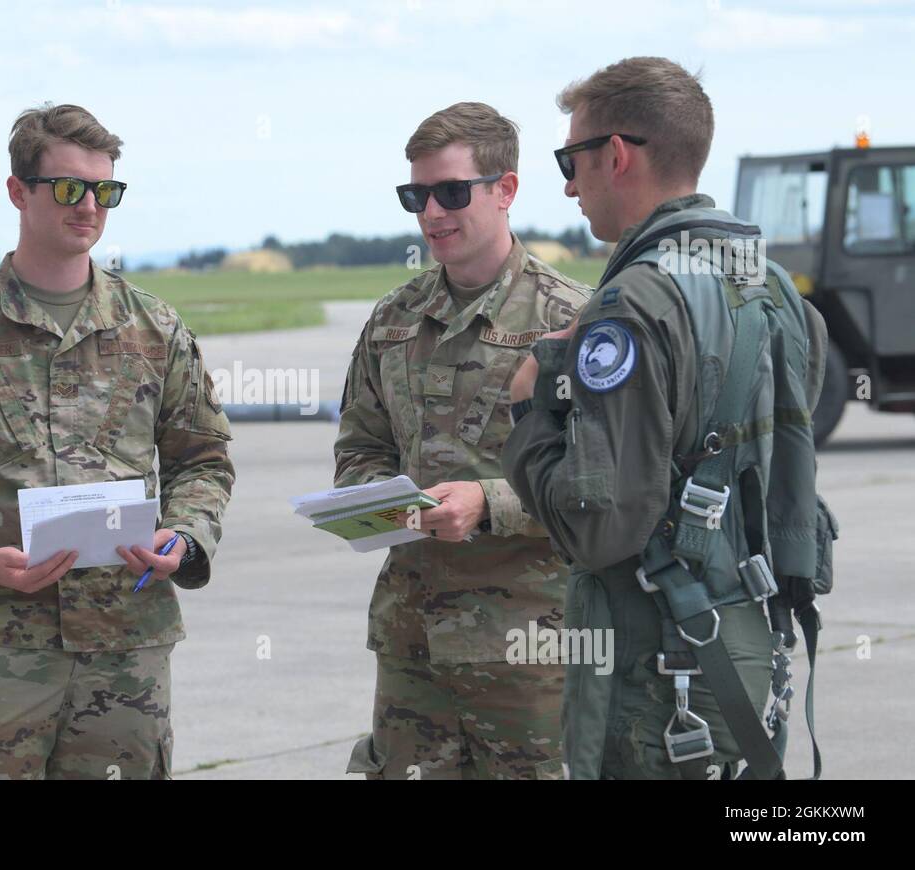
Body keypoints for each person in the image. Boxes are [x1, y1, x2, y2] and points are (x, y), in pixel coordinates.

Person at [503, 57, 829, 779]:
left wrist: (529, 411)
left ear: (616, 155)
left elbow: (601, 520)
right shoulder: (774, 290)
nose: (567, 183)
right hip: (750, 645)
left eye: (572, 159)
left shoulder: (635, 304)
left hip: (663, 673)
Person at [0, 103, 234, 780]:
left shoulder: (153, 329)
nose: (90, 207)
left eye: (105, 191)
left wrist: (185, 538)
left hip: (125, 654)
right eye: (71, 188)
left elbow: (204, 459)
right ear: (19, 191)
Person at [333, 102, 592, 780]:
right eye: (416, 196)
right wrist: (380, 503)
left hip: (533, 650)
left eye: (451, 192)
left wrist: (489, 503)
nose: (432, 213)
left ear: (505, 189)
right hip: (413, 645)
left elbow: (606, 480)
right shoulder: (393, 319)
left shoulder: (573, 320)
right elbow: (360, 449)